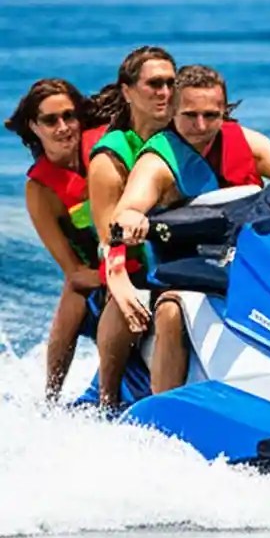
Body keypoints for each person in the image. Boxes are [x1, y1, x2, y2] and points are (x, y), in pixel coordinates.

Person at [105, 64, 270, 394]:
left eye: (211, 115)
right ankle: (165, 408)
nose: (201, 126)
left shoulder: (244, 142)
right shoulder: (158, 163)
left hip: (250, 264)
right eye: (190, 115)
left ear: (224, 112)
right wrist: (132, 218)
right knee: (172, 313)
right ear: (173, 110)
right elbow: (126, 210)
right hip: (186, 274)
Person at [85, 45, 179, 409]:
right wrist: (120, 285)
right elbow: (109, 240)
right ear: (127, 91)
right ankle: (108, 398)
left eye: (172, 83)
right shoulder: (112, 158)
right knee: (129, 302)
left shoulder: (189, 135)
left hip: (189, 261)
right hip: (134, 268)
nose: (165, 93)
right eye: (154, 84)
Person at [4, 79, 107, 399]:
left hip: (138, 256)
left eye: (69, 116)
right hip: (95, 274)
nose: (63, 128)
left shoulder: (106, 150)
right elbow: (74, 270)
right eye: (50, 120)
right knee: (73, 291)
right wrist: (116, 278)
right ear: (34, 127)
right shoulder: (40, 190)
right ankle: (52, 397)